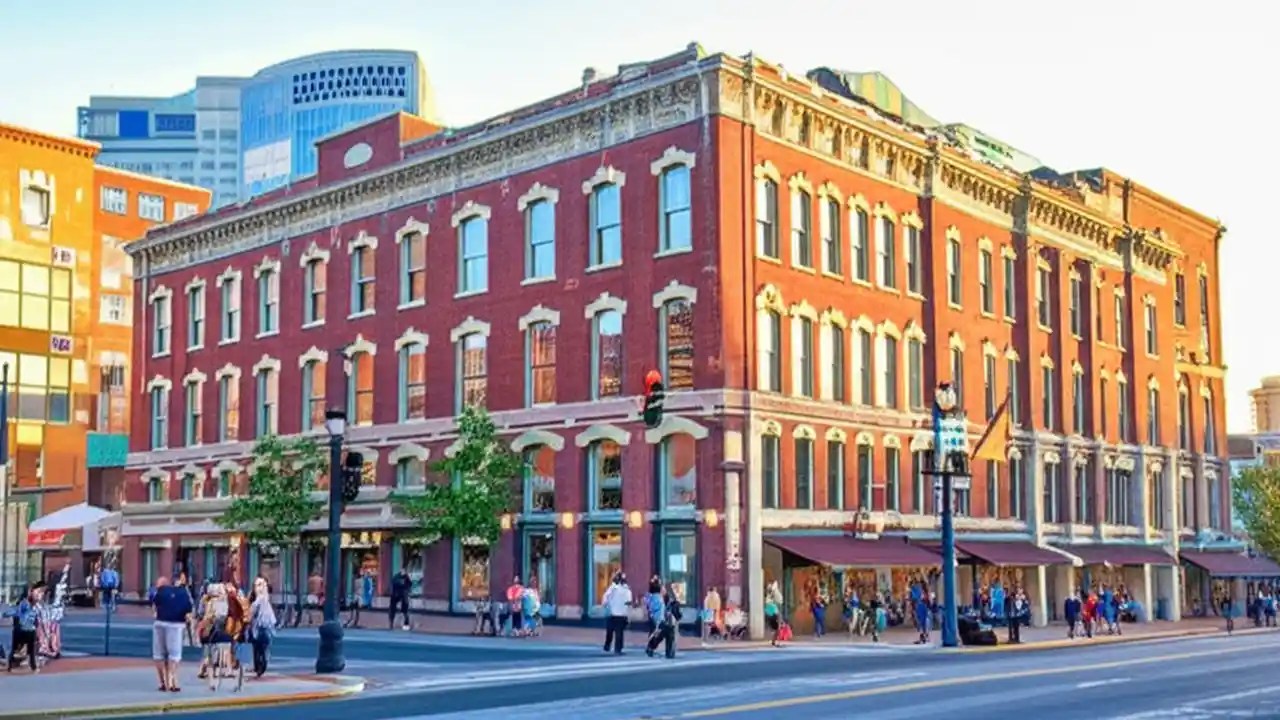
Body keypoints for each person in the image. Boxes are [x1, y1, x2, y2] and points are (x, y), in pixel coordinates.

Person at [151, 575, 193, 692]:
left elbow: (154, 609)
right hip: (176, 624)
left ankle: (162, 682)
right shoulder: (183, 594)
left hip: (160, 623)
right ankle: (172, 680)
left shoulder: (160, 593)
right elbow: (188, 612)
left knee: (159, 654)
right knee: (174, 654)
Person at [4, 585, 41, 673]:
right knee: (17, 648)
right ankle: (13, 665)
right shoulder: (24, 603)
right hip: (22, 629)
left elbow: (34, 617)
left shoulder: (32, 604)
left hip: (28, 629)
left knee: (29, 649)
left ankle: (31, 666)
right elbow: (18, 613)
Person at [646, 583, 683, 659]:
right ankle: (651, 648)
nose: (662, 590)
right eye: (662, 589)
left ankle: (669, 652)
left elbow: (677, 612)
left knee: (669, 636)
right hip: (663, 621)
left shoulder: (671, 600)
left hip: (668, 621)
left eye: (664, 589)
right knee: (659, 636)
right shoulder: (660, 598)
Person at [248, 577, 276, 677]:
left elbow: (252, 612)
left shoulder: (261, 599)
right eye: (257, 585)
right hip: (261, 626)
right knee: (260, 647)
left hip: (261, 626)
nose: (258, 588)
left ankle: (260, 665)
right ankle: (259, 665)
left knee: (260, 647)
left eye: (261, 585)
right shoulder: (261, 599)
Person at [602, 572, 633, 655]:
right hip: (621, 614)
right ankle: (618, 649)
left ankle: (607, 645)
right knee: (619, 632)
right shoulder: (627, 590)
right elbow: (629, 603)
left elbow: (605, 597)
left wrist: (605, 604)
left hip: (612, 613)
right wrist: (628, 615)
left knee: (610, 631)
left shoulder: (612, 588)